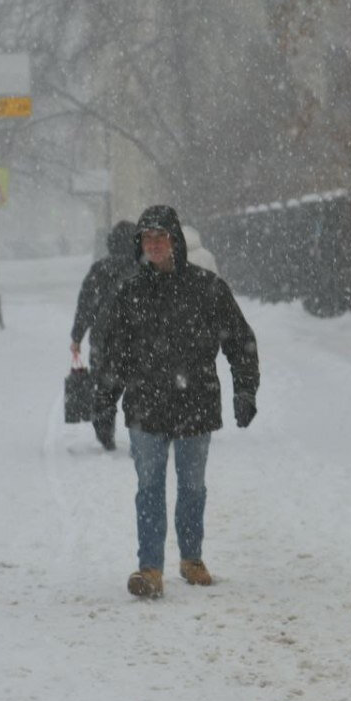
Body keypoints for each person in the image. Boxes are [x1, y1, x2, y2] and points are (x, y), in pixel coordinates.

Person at [94, 204, 259, 598]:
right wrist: (104, 398)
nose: (153, 245)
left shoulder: (206, 288)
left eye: (160, 237)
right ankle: (149, 569)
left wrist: (245, 389)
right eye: (146, 238)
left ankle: (192, 557)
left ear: (175, 241)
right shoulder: (129, 294)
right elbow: (114, 352)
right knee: (149, 487)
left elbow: (239, 339)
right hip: (145, 407)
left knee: (192, 487)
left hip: (195, 404)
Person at [70, 220, 139, 449]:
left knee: (105, 390)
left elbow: (86, 306)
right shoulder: (144, 269)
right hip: (140, 341)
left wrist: (77, 336)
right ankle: (141, 435)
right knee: (141, 388)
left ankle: (105, 433)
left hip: (105, 341)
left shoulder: (99, 270)